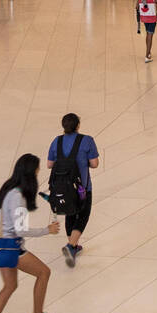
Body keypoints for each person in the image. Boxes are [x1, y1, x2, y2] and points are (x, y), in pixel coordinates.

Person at [0, 154, 60, 313]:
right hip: (10, 245)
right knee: (44, 273)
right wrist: (47, 230)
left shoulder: (8, 190)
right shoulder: (19, 197)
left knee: (9, 286)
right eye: (37, 169)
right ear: (32, 172)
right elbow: (20, 229)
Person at [48, 112, 99, 268]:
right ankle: (71, 247)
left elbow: (50, 164)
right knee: (83, 215)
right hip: (82, 187)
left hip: (62, 187)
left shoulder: (56, 141)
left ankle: (74, 246)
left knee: (70, 213)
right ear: (78, 126)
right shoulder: (87, 140)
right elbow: (95, 163)